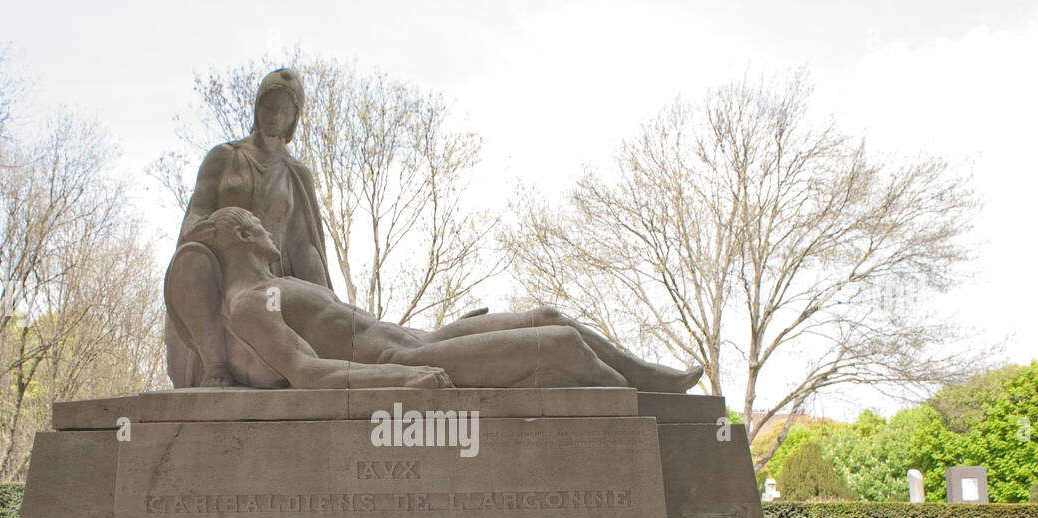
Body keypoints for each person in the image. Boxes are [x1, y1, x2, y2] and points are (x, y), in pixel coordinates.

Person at [189, 207, 705, 392]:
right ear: (238, 235)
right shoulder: (252, 303)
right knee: (564, 344)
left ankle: (653, 383)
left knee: (548, 316)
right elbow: (306, 372)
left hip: (422, 337)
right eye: (256, 224)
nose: (266, 228)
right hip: (408, 358)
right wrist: (405, 377)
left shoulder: (275, 288)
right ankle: (640, 414)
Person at [165, 68, 331, 387]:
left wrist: (325, 301)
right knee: (192, 260)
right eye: (269, 106)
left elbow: (304, 246)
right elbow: (196, 210)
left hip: (270, 279)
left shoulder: (296, 173)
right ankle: (216, 365)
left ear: (293, 119)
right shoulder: (224, 156)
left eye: (285, 111)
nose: (275, 116)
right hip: (222, 272)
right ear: (257, 106)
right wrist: (199, 229)